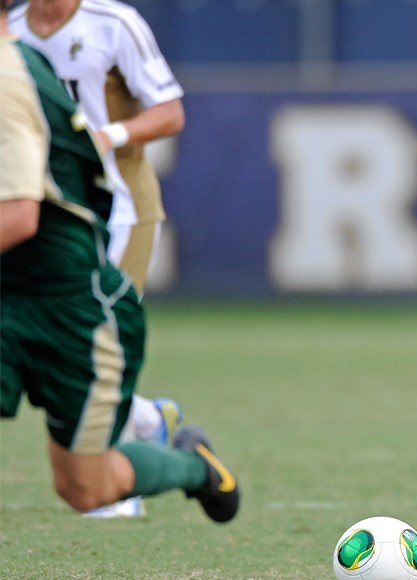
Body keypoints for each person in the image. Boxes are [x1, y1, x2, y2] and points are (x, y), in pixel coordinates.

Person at [0, 0, 239, 525]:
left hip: (112, 212)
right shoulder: (16, 33)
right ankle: (152, 421)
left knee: (94, 345)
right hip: (40, 232)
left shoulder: (112, 23)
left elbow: (171, 110)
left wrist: (112, 135)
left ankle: (125, 477)